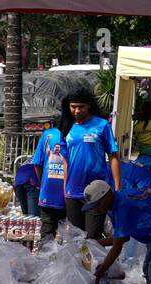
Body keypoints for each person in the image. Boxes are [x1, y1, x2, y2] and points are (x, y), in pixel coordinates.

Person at [63, 89, 120, 240]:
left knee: (92, 238)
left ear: (89, 106)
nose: (76, 110)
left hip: (97, 191)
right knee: (75, 238)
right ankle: (76, 264)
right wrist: (62, 188)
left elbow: (113, 157)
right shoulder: (66, 126)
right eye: (73, 106)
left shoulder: (102, 125)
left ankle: (95, 264)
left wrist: (117, 186)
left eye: (81, 106)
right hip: (72, 191)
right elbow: (63, 160)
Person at [32, 95, 72, 243]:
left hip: (48, 192)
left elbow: (37, 163)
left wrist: (43, 183)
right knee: (71, 237)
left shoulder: (48, 134)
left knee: (47, 235)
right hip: (72, 194)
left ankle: (45, 265)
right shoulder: (76, 135)